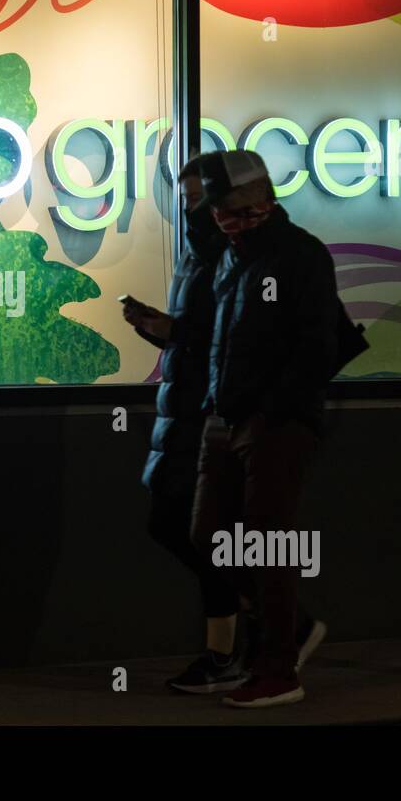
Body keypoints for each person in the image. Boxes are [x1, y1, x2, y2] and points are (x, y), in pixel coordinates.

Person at [188, 149, 338, 708]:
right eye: (220, 211)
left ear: (263, 203)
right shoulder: (230, 255)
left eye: (235, 210)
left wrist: (275, 409)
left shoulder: (299, 256)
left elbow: (316, 345)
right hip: (225, 415)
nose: (225, 220)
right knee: (209, 537)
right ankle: (292, 629)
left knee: (268, 545)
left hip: (275, 422)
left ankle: (279, 666)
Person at [122, 161, 249, 694]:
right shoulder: (197, 256)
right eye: (184, 197)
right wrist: (163, 330)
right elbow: (201, 336)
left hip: (206, 415)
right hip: (185, 407)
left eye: (198, 196)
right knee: (186, 529)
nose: (190, 207)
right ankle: (231, 649)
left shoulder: (230, 253)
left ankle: (244, 640)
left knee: (192, 530)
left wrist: (178, 332)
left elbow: (235, 338)